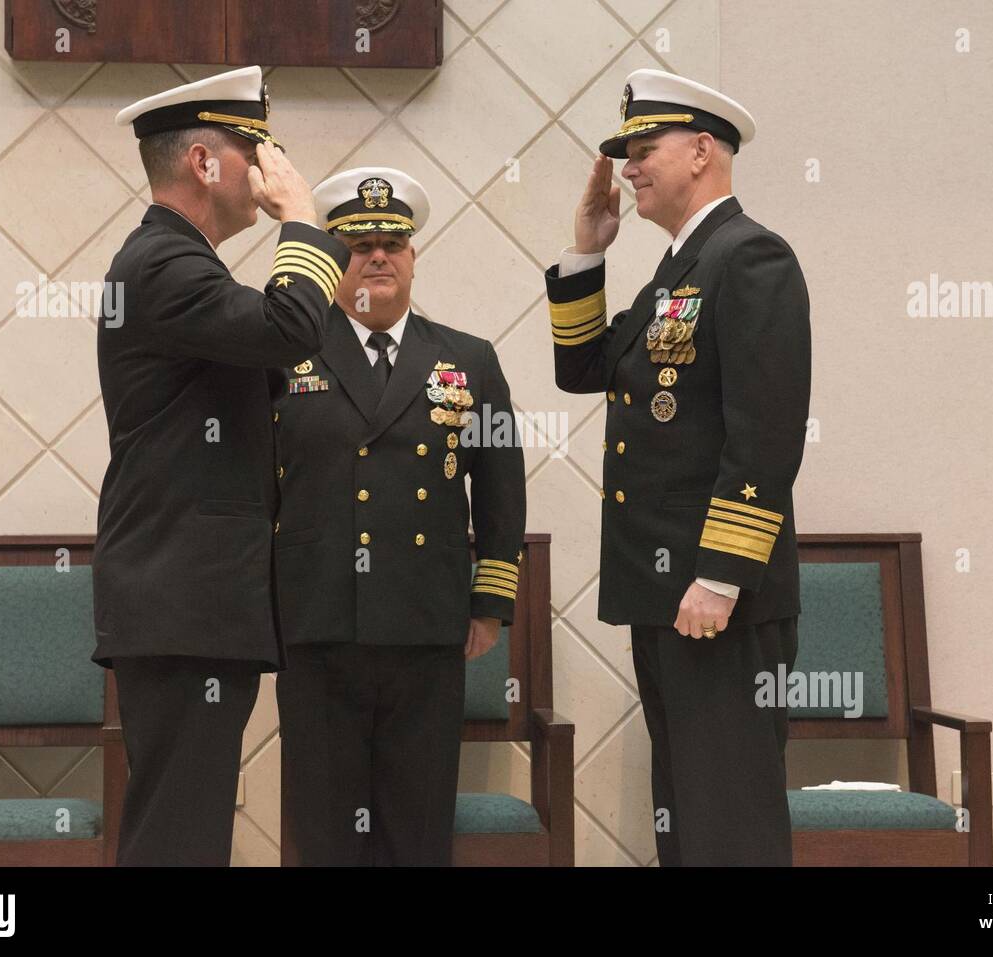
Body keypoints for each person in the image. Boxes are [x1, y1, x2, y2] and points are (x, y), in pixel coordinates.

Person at [544, 68, 811, 865]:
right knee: (687, 820)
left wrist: (722, 573)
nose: (627, 167)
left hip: (715, 596)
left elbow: (764, 434)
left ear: (702, 151)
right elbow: (585, 367)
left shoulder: (750, 256)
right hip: (668, 592)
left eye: (642, 147)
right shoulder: (678, 270)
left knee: (730, 821)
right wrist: (587, 253)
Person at [92, 66, 350, 865]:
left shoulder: (176, 265)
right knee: (178, 836)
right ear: (205, 162)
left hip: (192, 602)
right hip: (183, 602)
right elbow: (289, 326)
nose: (269, 170)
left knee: (187, 831)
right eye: (256, 149)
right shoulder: (164, 267)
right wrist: (302, 219)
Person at [270, 166, 526, 865]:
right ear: (332, 257)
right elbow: (255, 488)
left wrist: (490, 604)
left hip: (426, 628)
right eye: (357, 243)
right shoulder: (286, 352)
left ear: (413, 254)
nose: (377, 255)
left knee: (416, 829)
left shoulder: (468, 361)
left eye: (393, 241)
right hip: (317, 626)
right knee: (325, 831)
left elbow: (501, 491)